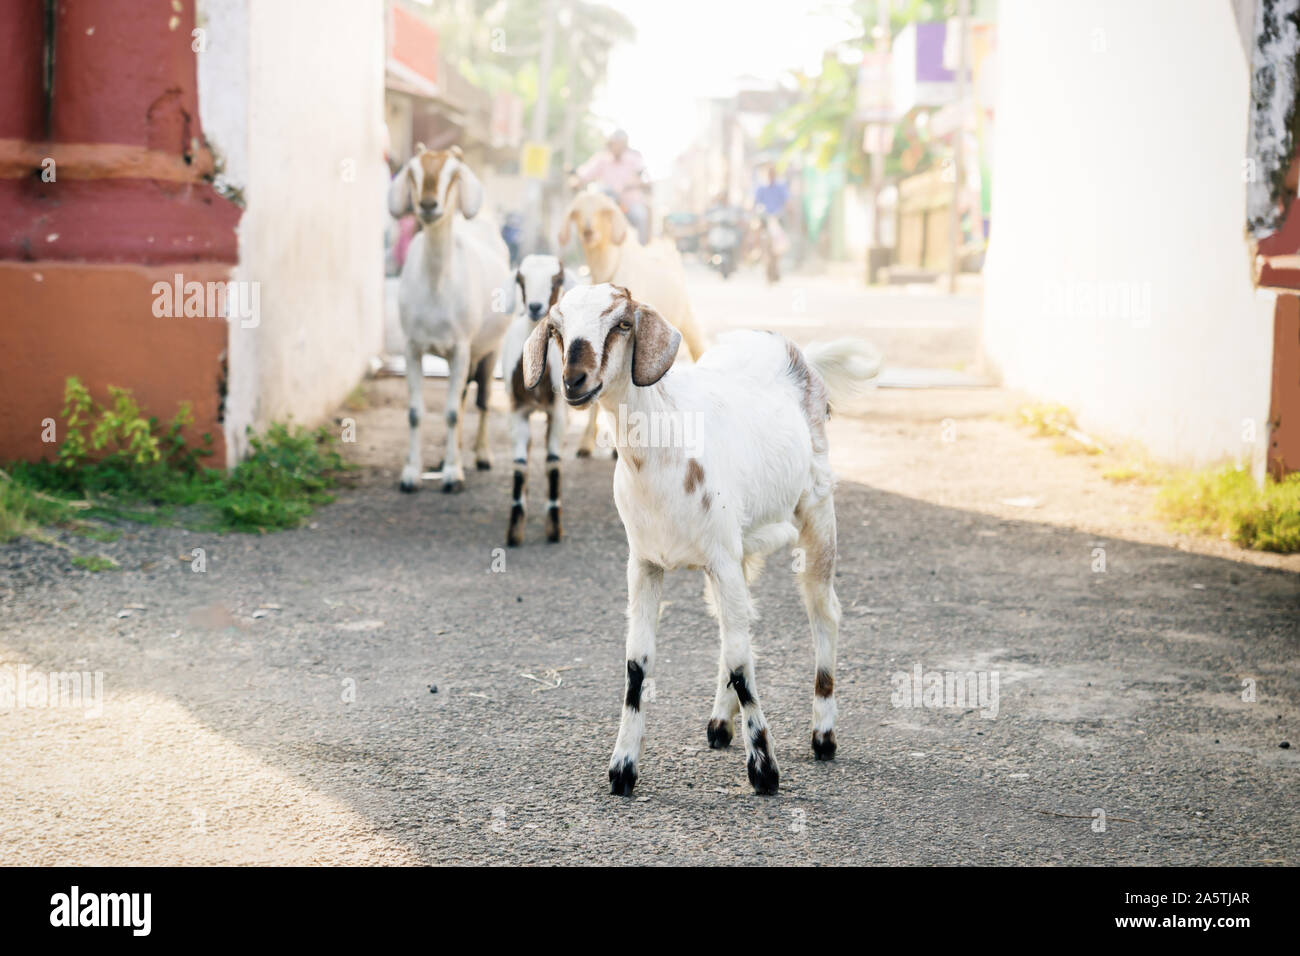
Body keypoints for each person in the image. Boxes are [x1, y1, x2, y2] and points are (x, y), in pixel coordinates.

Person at [574, 129, 650, 244]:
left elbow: (644, 177)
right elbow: (585, 174)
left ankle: (642, 248)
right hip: (608, 202)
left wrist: (634, 184)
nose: (615, 146)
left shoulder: (634, 158)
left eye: (618, 143)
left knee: (640, 216)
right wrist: (576, 180)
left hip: (628, 203)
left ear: (624, 144)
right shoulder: (602, 159)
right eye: (613, 143)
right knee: (587, 220)